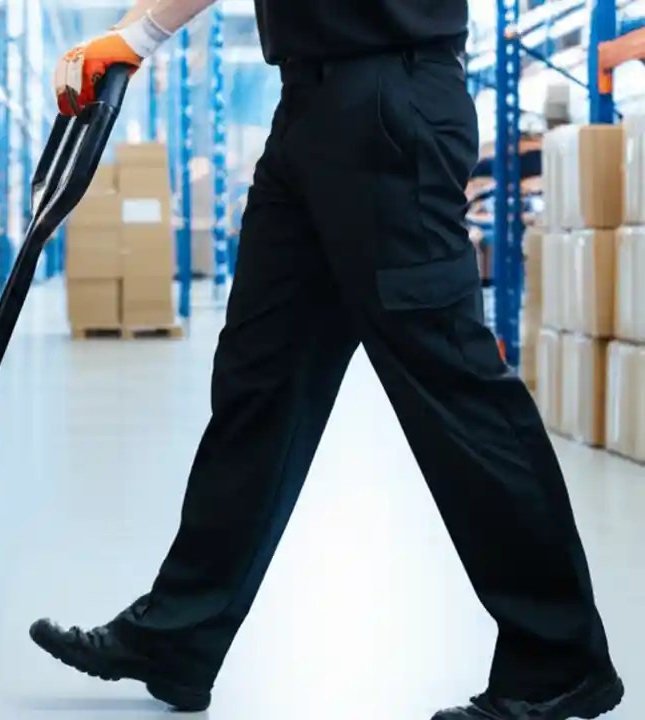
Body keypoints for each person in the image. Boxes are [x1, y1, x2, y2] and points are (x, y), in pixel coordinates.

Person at [30, 1, 625, 718]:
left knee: (452, 383)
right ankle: (179, 636)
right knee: (261, 382)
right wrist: (130, 32)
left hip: (387, 104)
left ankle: (559, 661)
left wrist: (140, 33)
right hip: (308, 109)